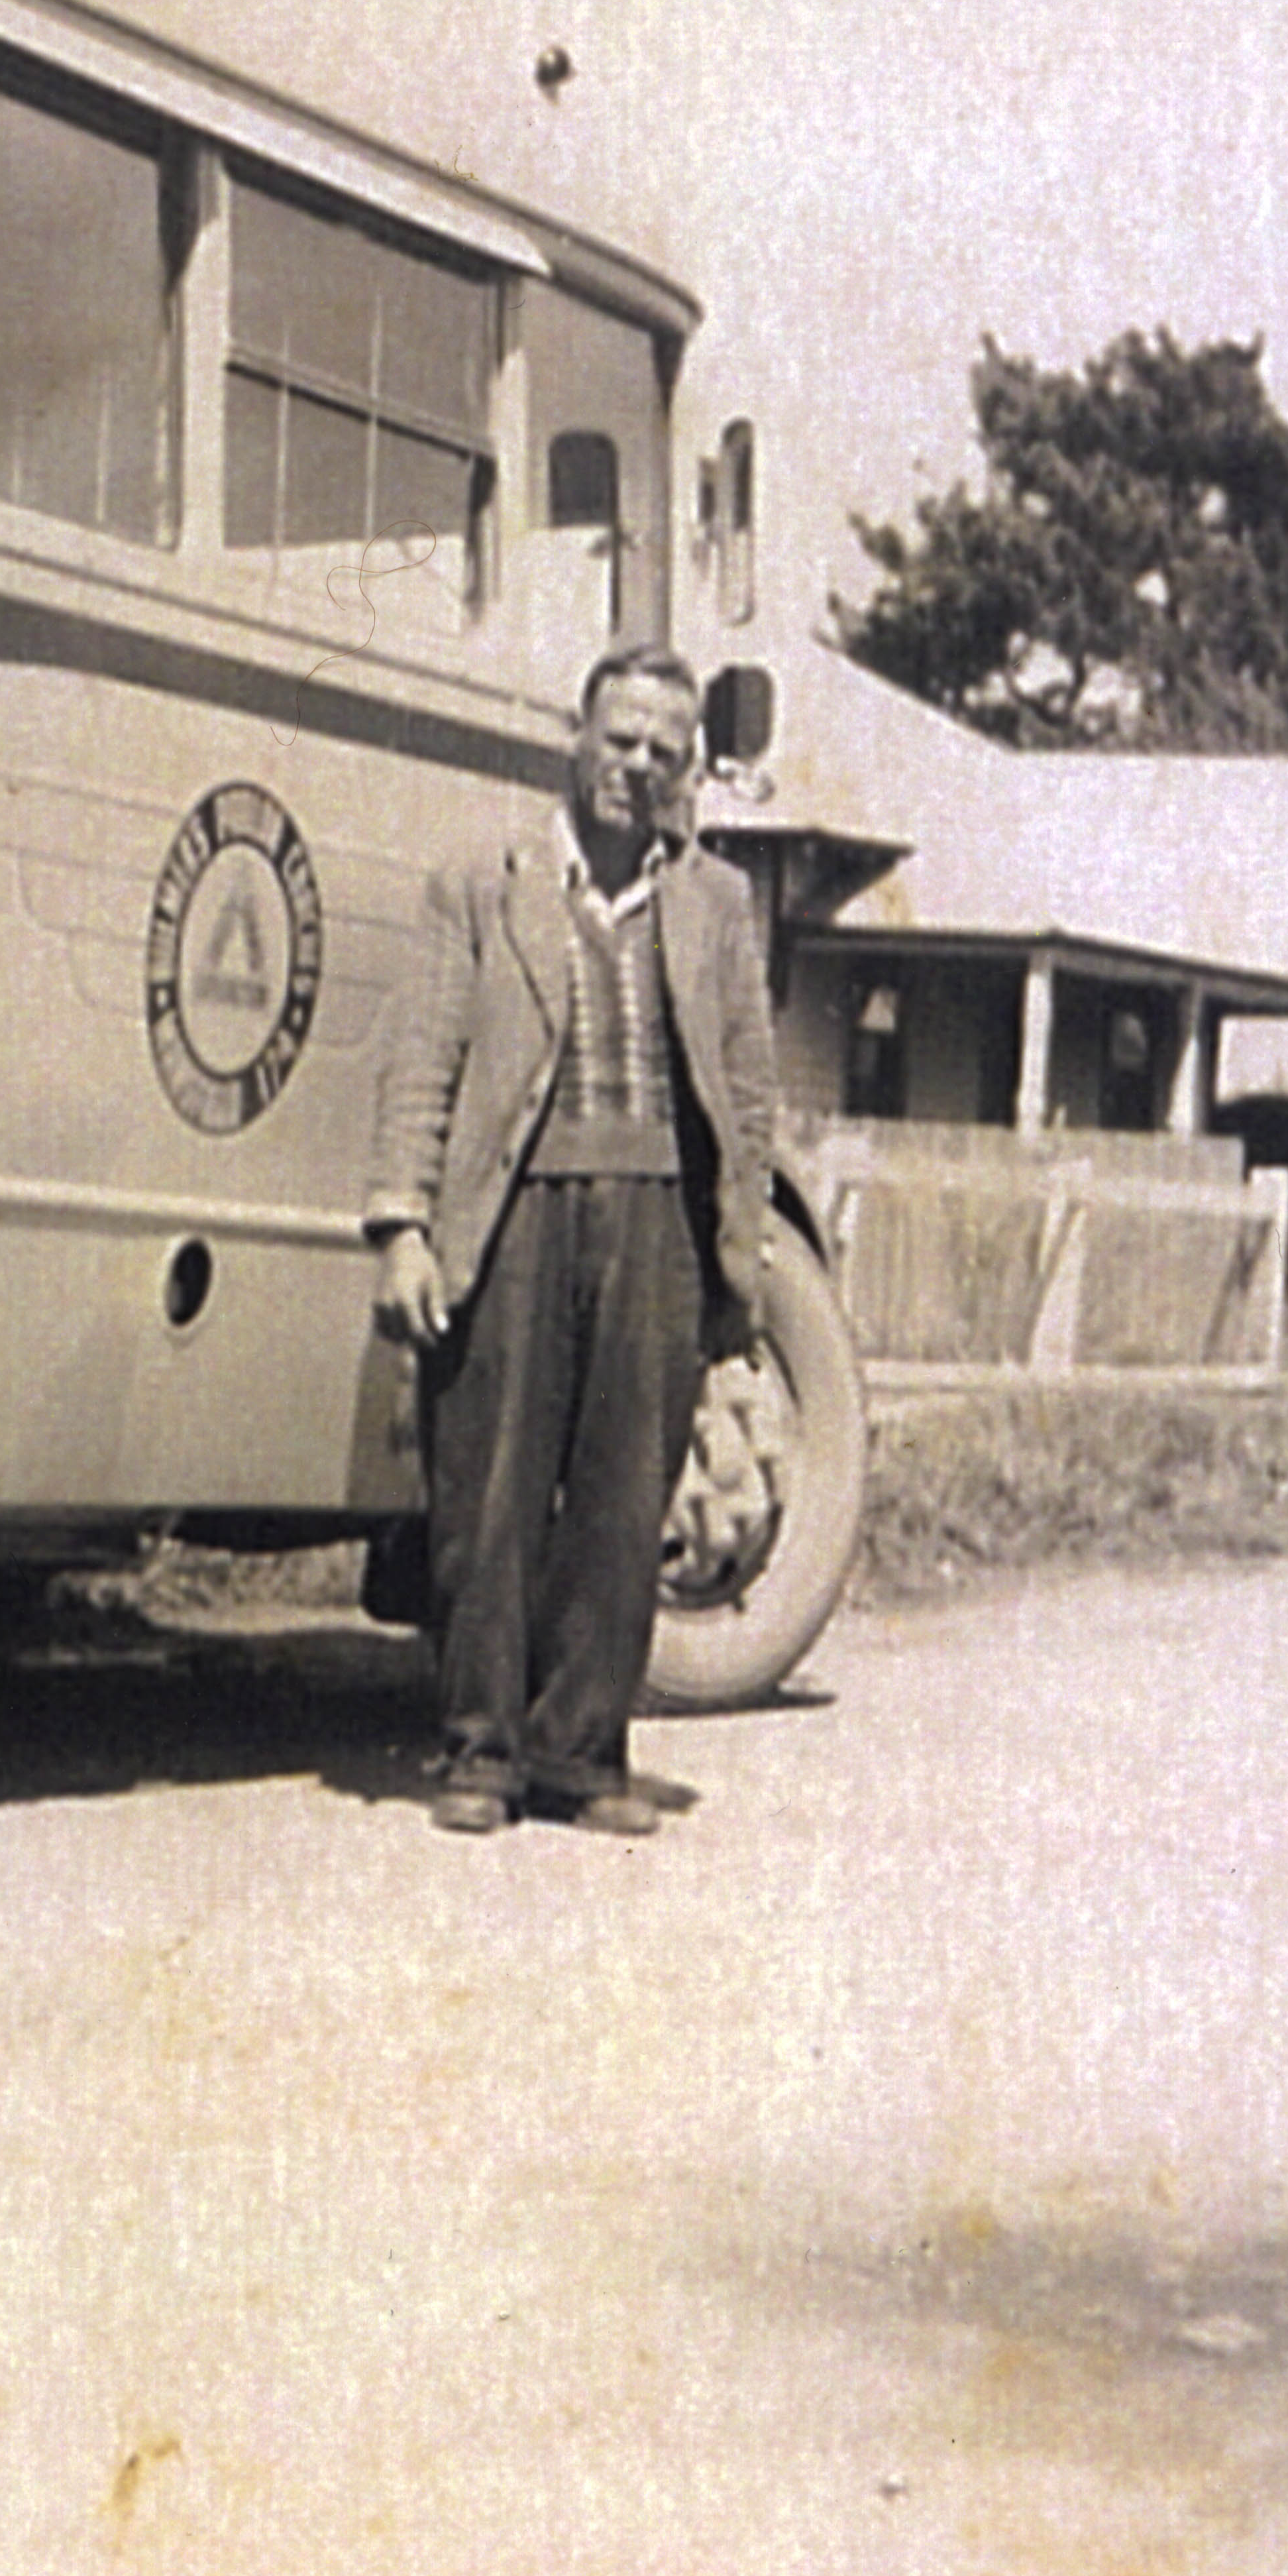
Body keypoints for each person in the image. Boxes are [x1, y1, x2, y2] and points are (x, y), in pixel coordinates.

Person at [366, 645, 779, 1838]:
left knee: (617, 1499)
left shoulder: (714, 904)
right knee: (486, 1490)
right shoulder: (483, 883)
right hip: (512, 1216)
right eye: (621, 738)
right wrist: (403, 1227)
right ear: (577, 737)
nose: (637, 766)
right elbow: (422, 1063)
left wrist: (734, 1263)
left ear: (688, 769)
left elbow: (748, 1093)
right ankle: (481, 1754)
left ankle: (581, 1755)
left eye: (665, 750)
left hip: (656, 1218)